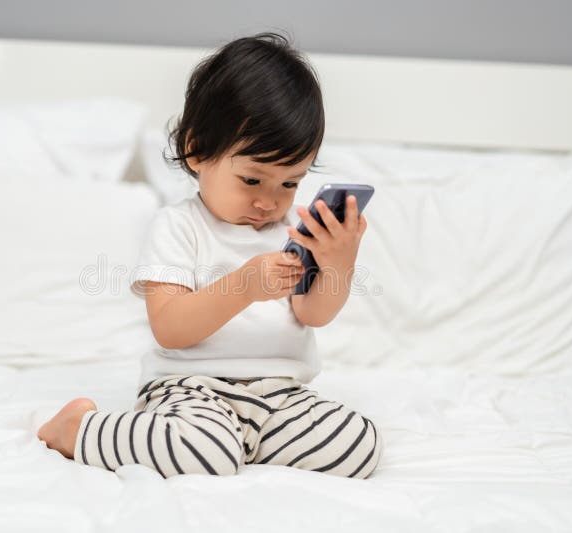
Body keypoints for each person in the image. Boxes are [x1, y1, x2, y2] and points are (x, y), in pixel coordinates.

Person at [37, 32, 383, 479]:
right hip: (190, 388)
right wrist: (243, 286)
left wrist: (339, 261)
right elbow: (170, 329)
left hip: (279, 393)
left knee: (358, 445)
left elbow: (313, 314)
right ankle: (79, 430)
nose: (269, 201)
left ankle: (241, 441)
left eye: (289, 184)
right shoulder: (179, 226)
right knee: (206, 453)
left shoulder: (293, 233)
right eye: (252, 181)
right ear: (196, 151)